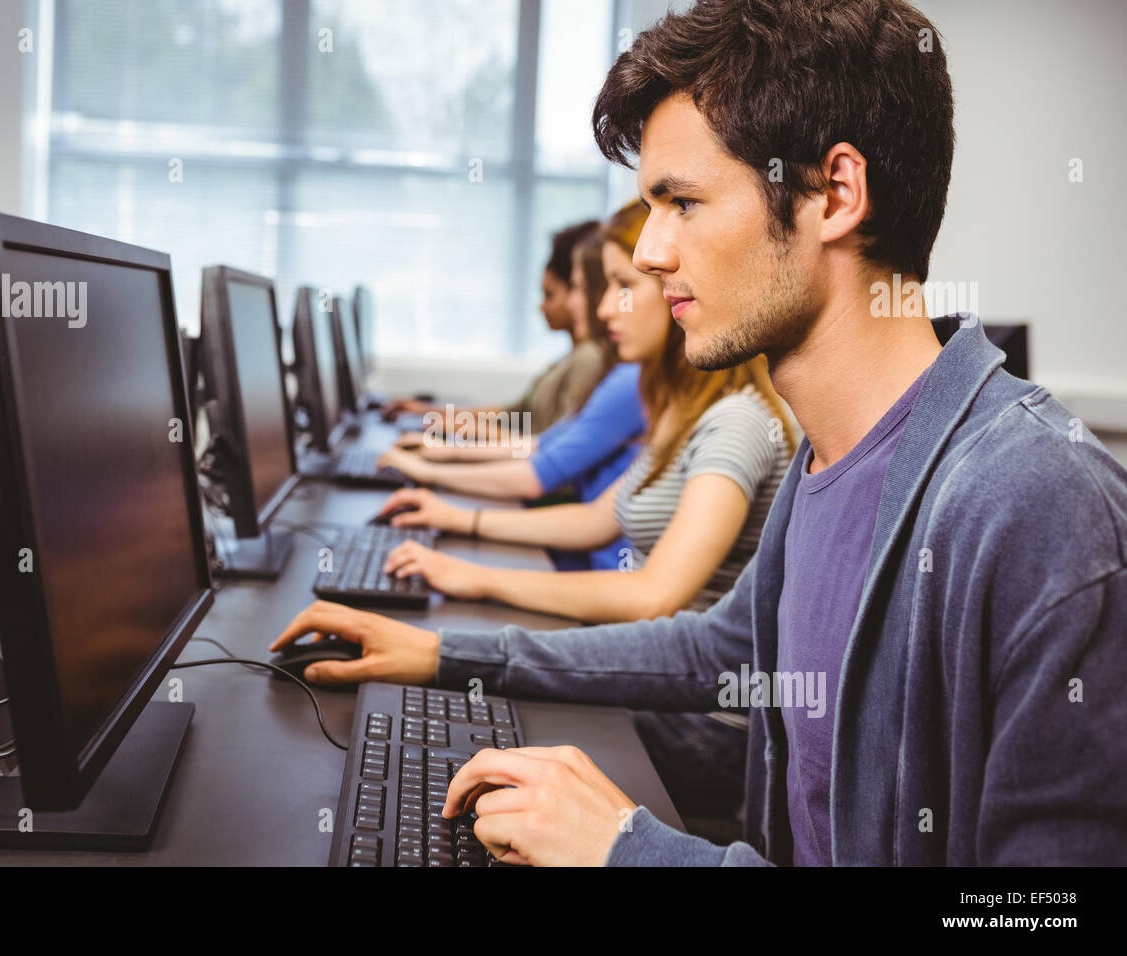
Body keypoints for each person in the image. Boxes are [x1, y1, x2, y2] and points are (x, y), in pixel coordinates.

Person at [274, 0, 1127, 866]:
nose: (647, 253)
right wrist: (443, 652)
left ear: (834, 194)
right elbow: (717, 651)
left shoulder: (1038, 504)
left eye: (681, 201)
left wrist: (631, 852)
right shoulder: (830, 452)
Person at [376, 199, 794, 627]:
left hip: (663, 670)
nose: (604, 308)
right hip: (627, 638)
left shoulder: (736, 423)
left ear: (680, 289)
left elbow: (653, 596)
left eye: (624, 286)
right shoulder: (682, 411)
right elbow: (595, 520)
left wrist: (476, 577)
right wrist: (457, 518)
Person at [380, 217, 649, 571]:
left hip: (580, 554)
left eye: (581, 290)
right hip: (579, 550)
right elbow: (541, 442)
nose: (580, 304)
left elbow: (541, 466)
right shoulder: (623, 375)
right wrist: (443, 448)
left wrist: (435, 468)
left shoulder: (626, 379)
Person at [383, 219, 611, 434]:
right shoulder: (569, 358)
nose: (541, 306)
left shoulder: (589, 357)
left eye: (550, 294)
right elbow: (515, 415)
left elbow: (549, 450)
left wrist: (443, 432)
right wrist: (429, 414)